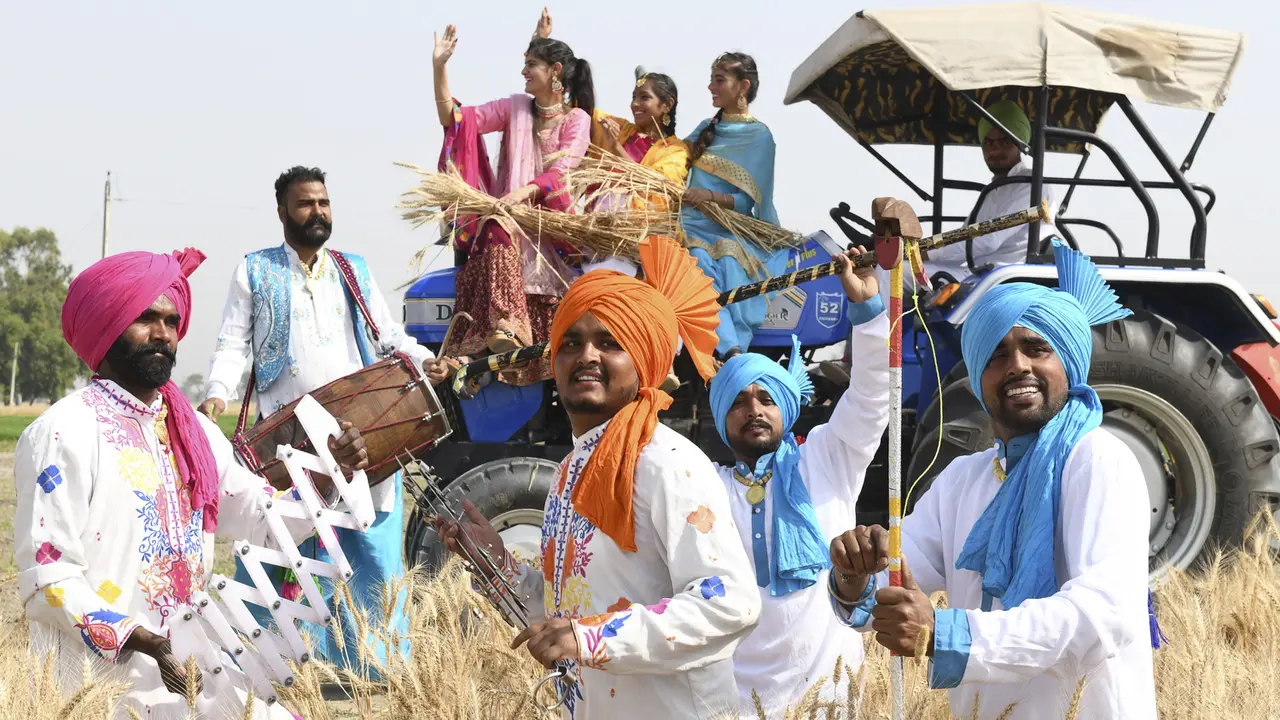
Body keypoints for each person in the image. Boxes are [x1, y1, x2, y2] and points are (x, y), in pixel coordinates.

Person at [16, 248, 370, 719]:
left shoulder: (193, 431)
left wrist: (329, 473)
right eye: (144, 318)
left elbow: (261, 519)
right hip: (103, 684)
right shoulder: (63, 432)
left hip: (197, 672)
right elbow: (48, 578)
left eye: (171, 321)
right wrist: (143, 640)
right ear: (106, 326)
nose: (162, 334)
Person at [827, 241, 1157, 719]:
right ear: (979, 376)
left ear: (1068, 361)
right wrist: (854, 572)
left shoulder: (1098, 460)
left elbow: (1104, 614)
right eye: (997, 355)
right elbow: (894, 583)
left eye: (1037, 348)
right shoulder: (963, 480)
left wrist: (946, 634)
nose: (1018, 365)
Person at [435, 236, 761, 719]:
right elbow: (563, 615)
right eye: (571, 342)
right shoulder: (570, 473)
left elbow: (731, 603)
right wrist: (496, 562)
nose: (586, 355)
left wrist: (592, 638)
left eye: (609, 343)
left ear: (643, 360)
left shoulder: (668, 462)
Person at [199, 166, 445, 674]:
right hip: (288, 440)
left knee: (370, 550)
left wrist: (426, 361)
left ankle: (377, 668)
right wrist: (217, 394)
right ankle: (274, 664)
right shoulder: (255, 270)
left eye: (324, 203)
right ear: (282, 212)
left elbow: (388, 336)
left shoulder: (353, 269)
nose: (318, 212)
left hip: (360, 433)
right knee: (283, 546)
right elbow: (232, 342)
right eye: (306, 203)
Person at [706, 246, 888, 716]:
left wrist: (867, 312)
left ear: (786, 408)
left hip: (830, 698)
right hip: (737, 704)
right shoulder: (706, 488)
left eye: (767, 398)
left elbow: (871, 395)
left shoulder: (827, 457)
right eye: (739, 401)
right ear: (721, 418)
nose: (754, 409)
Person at [432, 19, 594, 383]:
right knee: (495, 223)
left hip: (551, 231)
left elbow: (563, 171)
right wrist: (439, 67)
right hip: (505, 223)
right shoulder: (515, 108)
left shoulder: (576, 119)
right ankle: (506, 326)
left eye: (531, 64)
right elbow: (457, 121)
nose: (523, 71)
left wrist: (522, 194)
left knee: (499, 221)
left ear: (555, 71)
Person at [682, 51, 790, 360]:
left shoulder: (760, 137)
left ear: (743, 86)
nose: (711, 87)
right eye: (711, 80)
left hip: (724, 227)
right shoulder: (705, 127)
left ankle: (730, 352)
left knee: (710, 261)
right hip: (686, 221)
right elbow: (672, 160)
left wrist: (708, 197)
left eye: (719, 80)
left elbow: (745, 202)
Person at [924, 99, 1060, 283]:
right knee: (896, 266)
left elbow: (987, 239)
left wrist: (924, 250)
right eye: (988, 142)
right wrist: (920, 248)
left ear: (1019, 143)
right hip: (974, 269)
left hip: (998, 276)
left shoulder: (1030, 185)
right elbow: (966, 239)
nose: (994, 149)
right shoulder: (995, 189)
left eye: (1004, 141)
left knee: (891, 272)